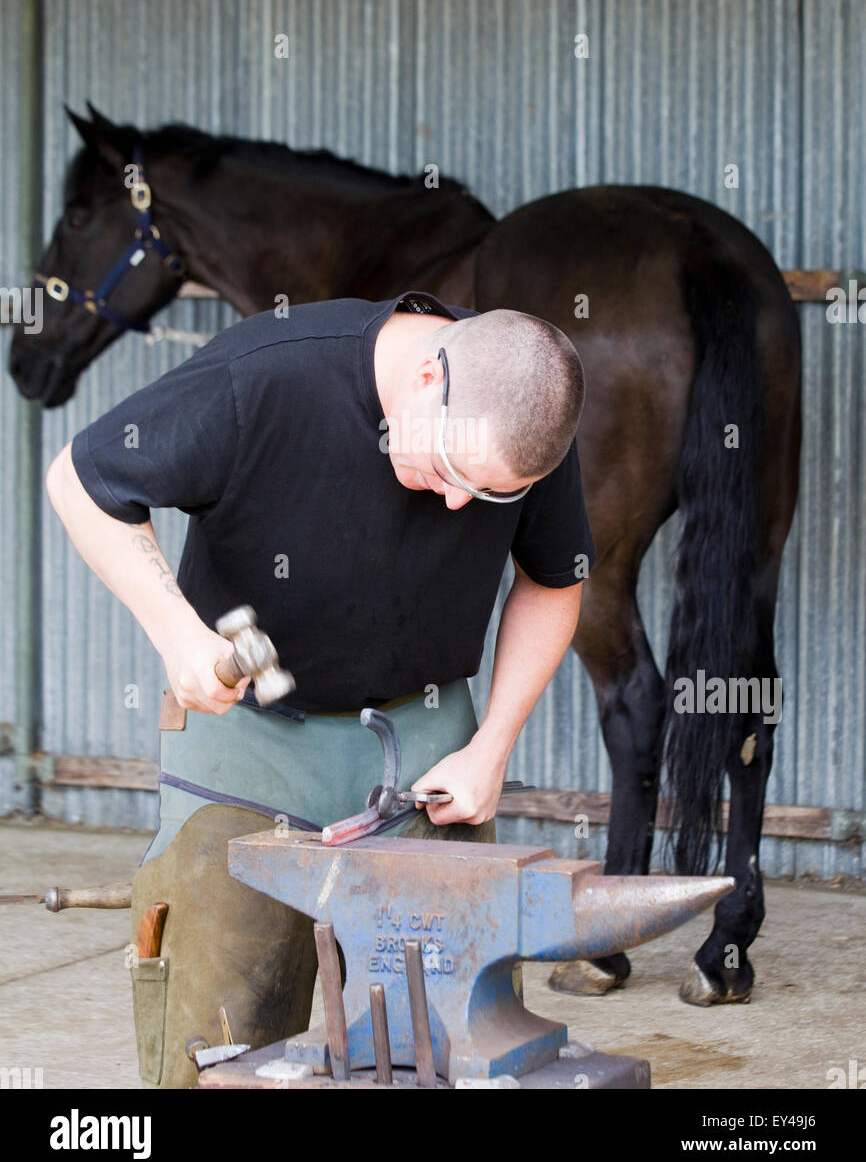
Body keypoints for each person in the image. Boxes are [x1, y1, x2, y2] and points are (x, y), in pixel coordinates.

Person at [46, 287, 595, 1087]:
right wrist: (176, 631)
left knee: (458, 1052)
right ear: (427, 380)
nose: (454, 501)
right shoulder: (266, 376)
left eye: (484, 494)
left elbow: (554, 580)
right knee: (217, 1046)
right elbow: (80, 479)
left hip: (427, 757)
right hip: (248, 753)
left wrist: (494, 743)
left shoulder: (523, 412)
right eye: (448, 468)